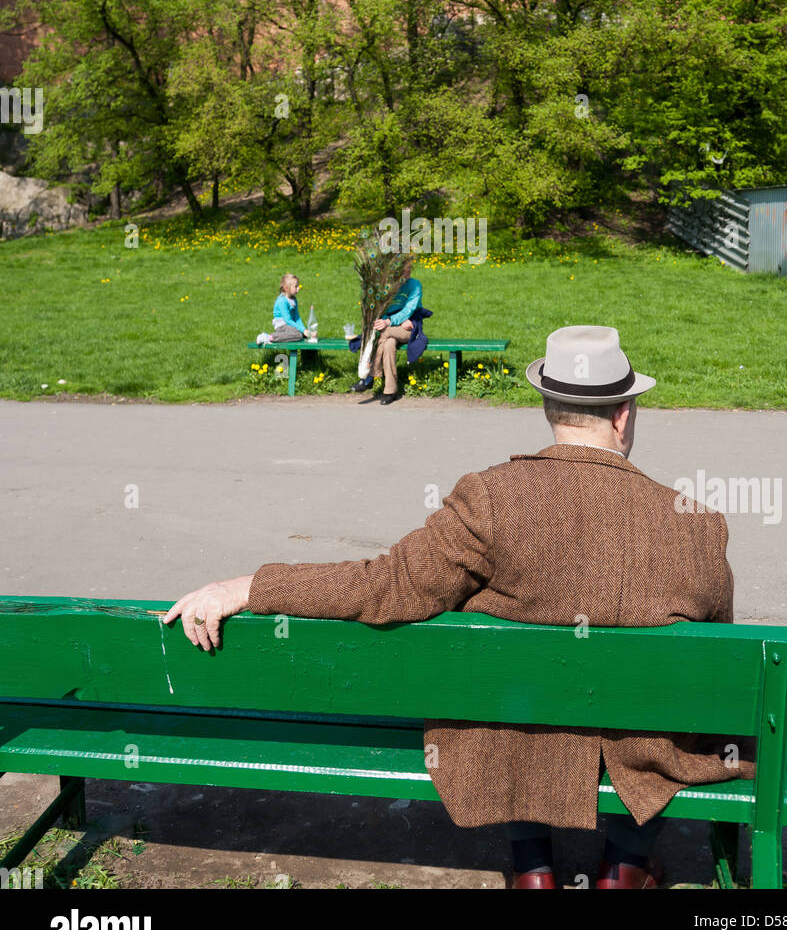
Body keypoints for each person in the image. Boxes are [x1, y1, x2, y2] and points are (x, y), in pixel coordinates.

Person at [165, 324, 755, 890]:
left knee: (500, 677)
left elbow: (383, 588)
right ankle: (625, 866)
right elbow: (721, 664)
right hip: (641, 754)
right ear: (623, 414)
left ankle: (533, 868)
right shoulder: (697, 525)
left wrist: (250, 587)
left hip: (518, 738)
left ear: (548, 407)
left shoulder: (490, 499)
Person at [349, 257, 430, 406]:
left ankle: (368, 378)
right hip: (393, 327)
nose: (408, 272)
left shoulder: (415, 285)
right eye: (404, 270)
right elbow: (381, 310)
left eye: (409, 269)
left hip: (409, 327)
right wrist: (388, 320)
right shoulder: (388, 286)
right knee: (388, 344)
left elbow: (409, 309)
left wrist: (390, 321)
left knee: (383, 333)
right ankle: (390, 391)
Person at [267, 273, 310, 344]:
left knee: (304, 335)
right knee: (298, 335)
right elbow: (287, 320)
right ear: (286, 288)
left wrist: (304, 330)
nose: (298, 288)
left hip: (290, 325)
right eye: (296, 286)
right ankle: (270, 337)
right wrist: (302, 330)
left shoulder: (294, 299)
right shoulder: (282, 301)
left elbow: (297, 318)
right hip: (282, 326)